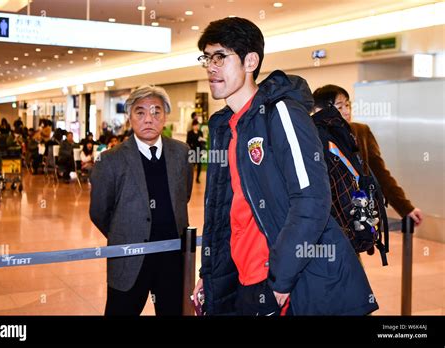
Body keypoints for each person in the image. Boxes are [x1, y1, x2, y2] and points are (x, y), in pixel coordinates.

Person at [192, 17, 378, 316]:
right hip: (242, 278)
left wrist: (281, 281)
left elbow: (311, 200)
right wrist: (210, 274)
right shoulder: (225, 126)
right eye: (206, 58)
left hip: (280, 281)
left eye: (220, 57)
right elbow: (224, 212)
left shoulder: (282, 113)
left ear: (250, 61)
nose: (210, 67)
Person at [90, 85, 193, 316]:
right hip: (129, 258)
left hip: (171, 258)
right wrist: (124, 233)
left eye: (157, 112)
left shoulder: (181, 153)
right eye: (140, 112)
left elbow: (183, 196)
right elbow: (99, 211)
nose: (149, 119)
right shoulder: (110, 160)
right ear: (130, 117)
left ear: (165, 116)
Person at [313, 84, 423, 226]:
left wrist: (405, 207)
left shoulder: (360, 132)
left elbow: (380, 173)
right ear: (319, 110)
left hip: (359, 211)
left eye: (348, 105)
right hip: (328, 214)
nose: (347, 111)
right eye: (340, 107)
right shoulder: (314, 136)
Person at [186, 119, 206, 183]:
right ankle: (190, 178)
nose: (196, 126)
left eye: (197, 125)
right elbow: (188, 142)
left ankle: (197, 178)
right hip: (192, 151)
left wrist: (202, 140)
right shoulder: (190, 133)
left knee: (199, 165)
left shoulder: (200, 132)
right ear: (193, 126)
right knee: (192, 166)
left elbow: (203, 142)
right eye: (195, 125)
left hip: (199, 151)